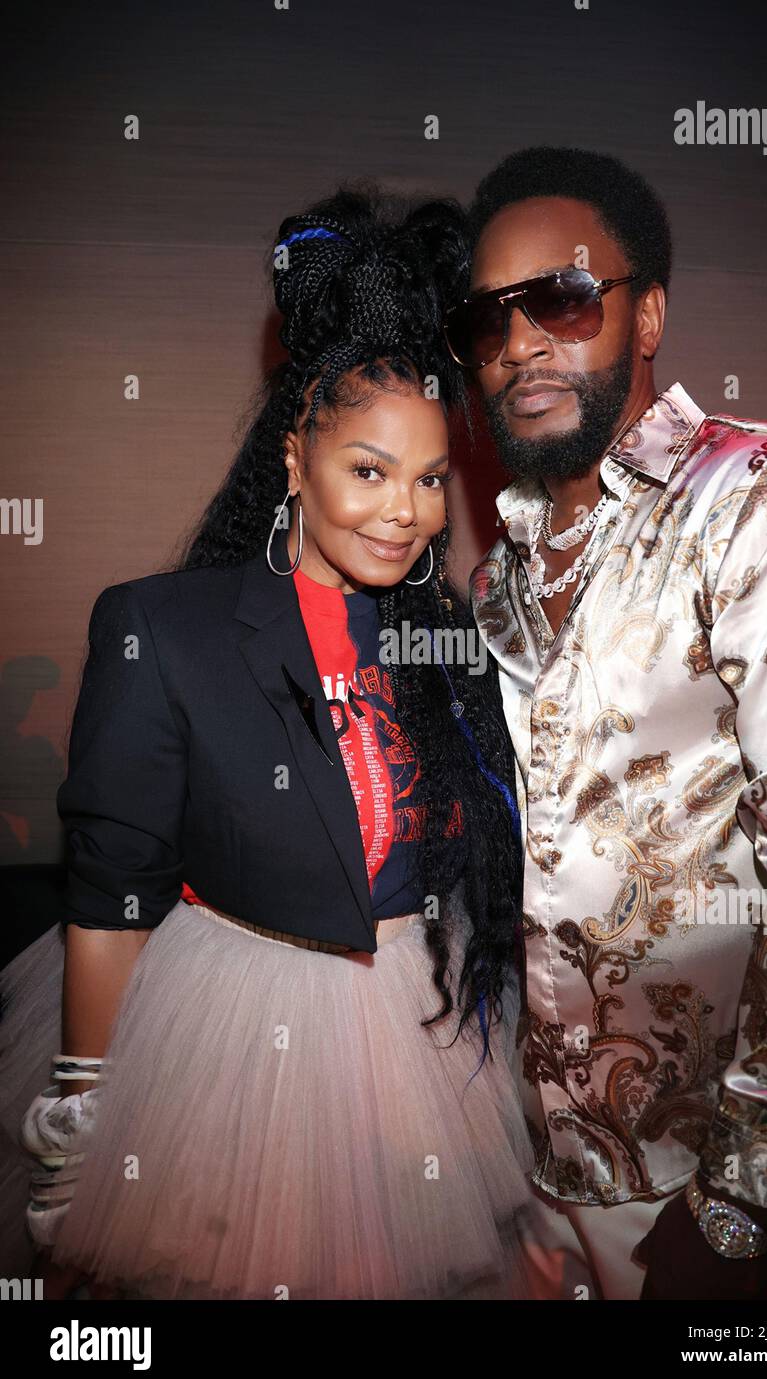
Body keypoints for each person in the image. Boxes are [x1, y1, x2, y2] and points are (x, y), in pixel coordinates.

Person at [0, 184, 567, 1300]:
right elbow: (111, 899)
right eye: (367, 469)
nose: (402, 512)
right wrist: (82, 1123)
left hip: (421, 1032)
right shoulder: (162, 627)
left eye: (425, 478)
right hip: (226, 1035)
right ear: (296, 452)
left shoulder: (445, 641)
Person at [444, 145, 767, 1300]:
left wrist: (743, 1190)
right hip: (535, 1162)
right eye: (486, 319)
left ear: (646, 315)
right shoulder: (501, 581)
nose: (520, 341)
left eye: (563, 298)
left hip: (718, 1178)